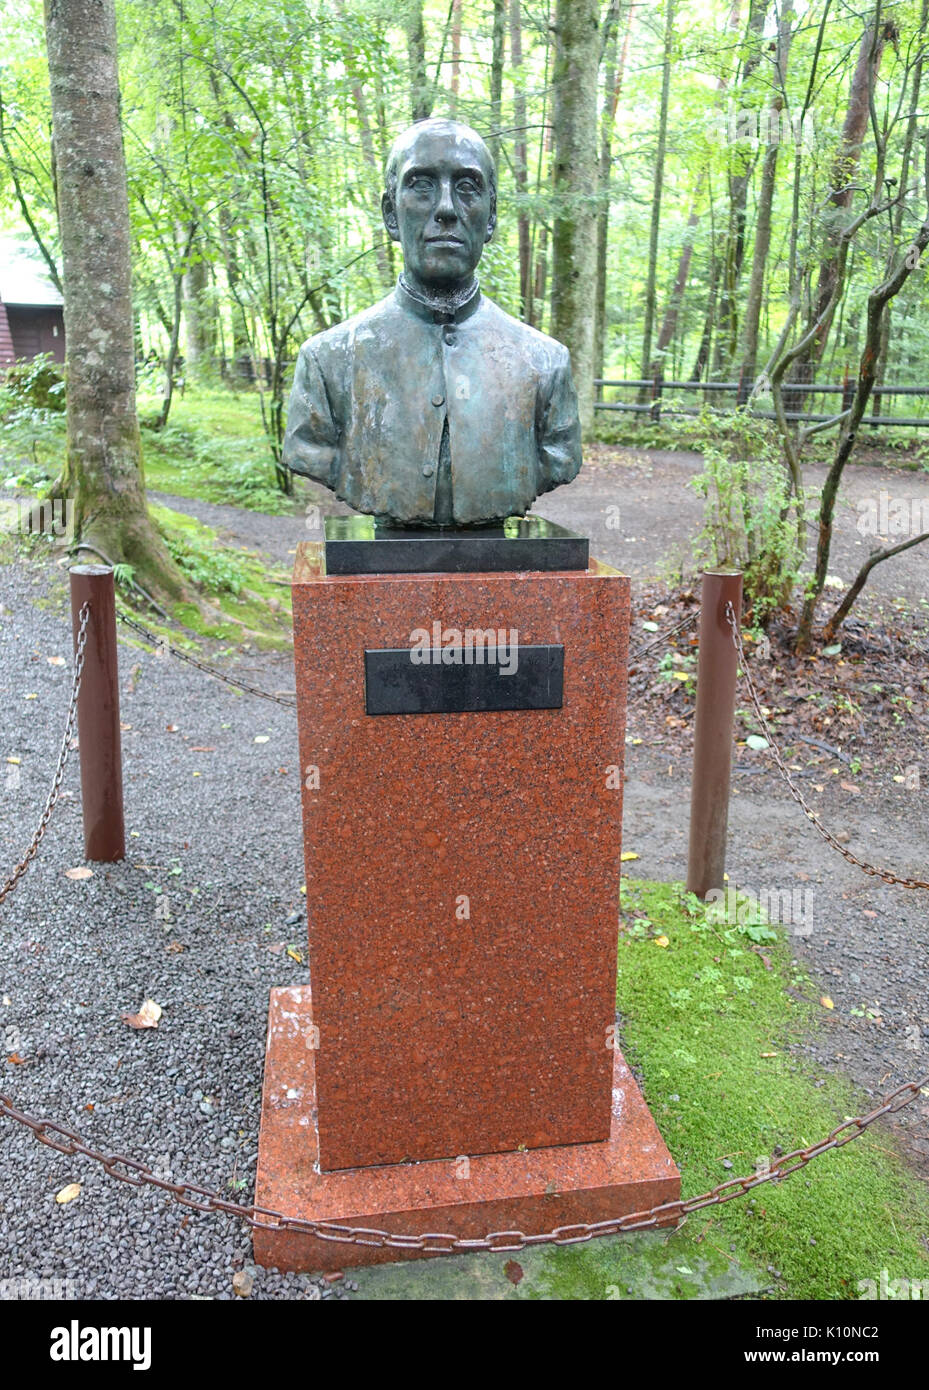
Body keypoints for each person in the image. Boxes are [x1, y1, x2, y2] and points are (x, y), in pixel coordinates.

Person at [283, 118, 582, 527]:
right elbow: (309, 451)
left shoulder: (545, 364)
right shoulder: (327, 362)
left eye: (466, 188)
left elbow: (559, 458)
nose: (445, 209)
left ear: (491, 217)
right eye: (422, 185)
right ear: (391, 214)